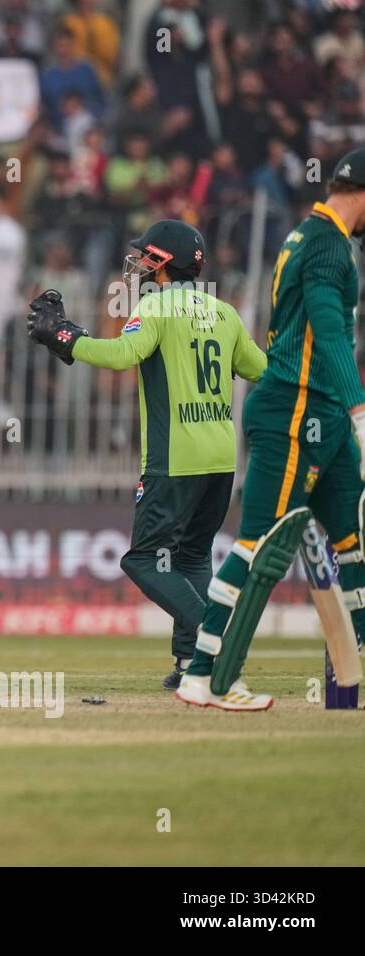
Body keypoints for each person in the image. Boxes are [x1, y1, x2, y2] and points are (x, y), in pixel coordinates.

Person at [26, 220, 266, 690]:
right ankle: (190, 664)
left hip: (174, 457)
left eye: (143, 256)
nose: (135, 264)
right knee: (192, 558)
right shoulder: (224, 311)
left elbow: (121, 355)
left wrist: (65, 338)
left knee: (143, 559)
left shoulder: (156, 306)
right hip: (221, 458)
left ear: (161, 262)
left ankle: (217, 635)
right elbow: (260, 367)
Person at [175, 148, 365, 710]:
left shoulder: (304, 236)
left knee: (351, 542)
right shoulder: (329, 246)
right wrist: (360, 412)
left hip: (320, 413)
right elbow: (329, 334)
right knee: (258, 543)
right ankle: (204, 673)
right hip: (296, 411)